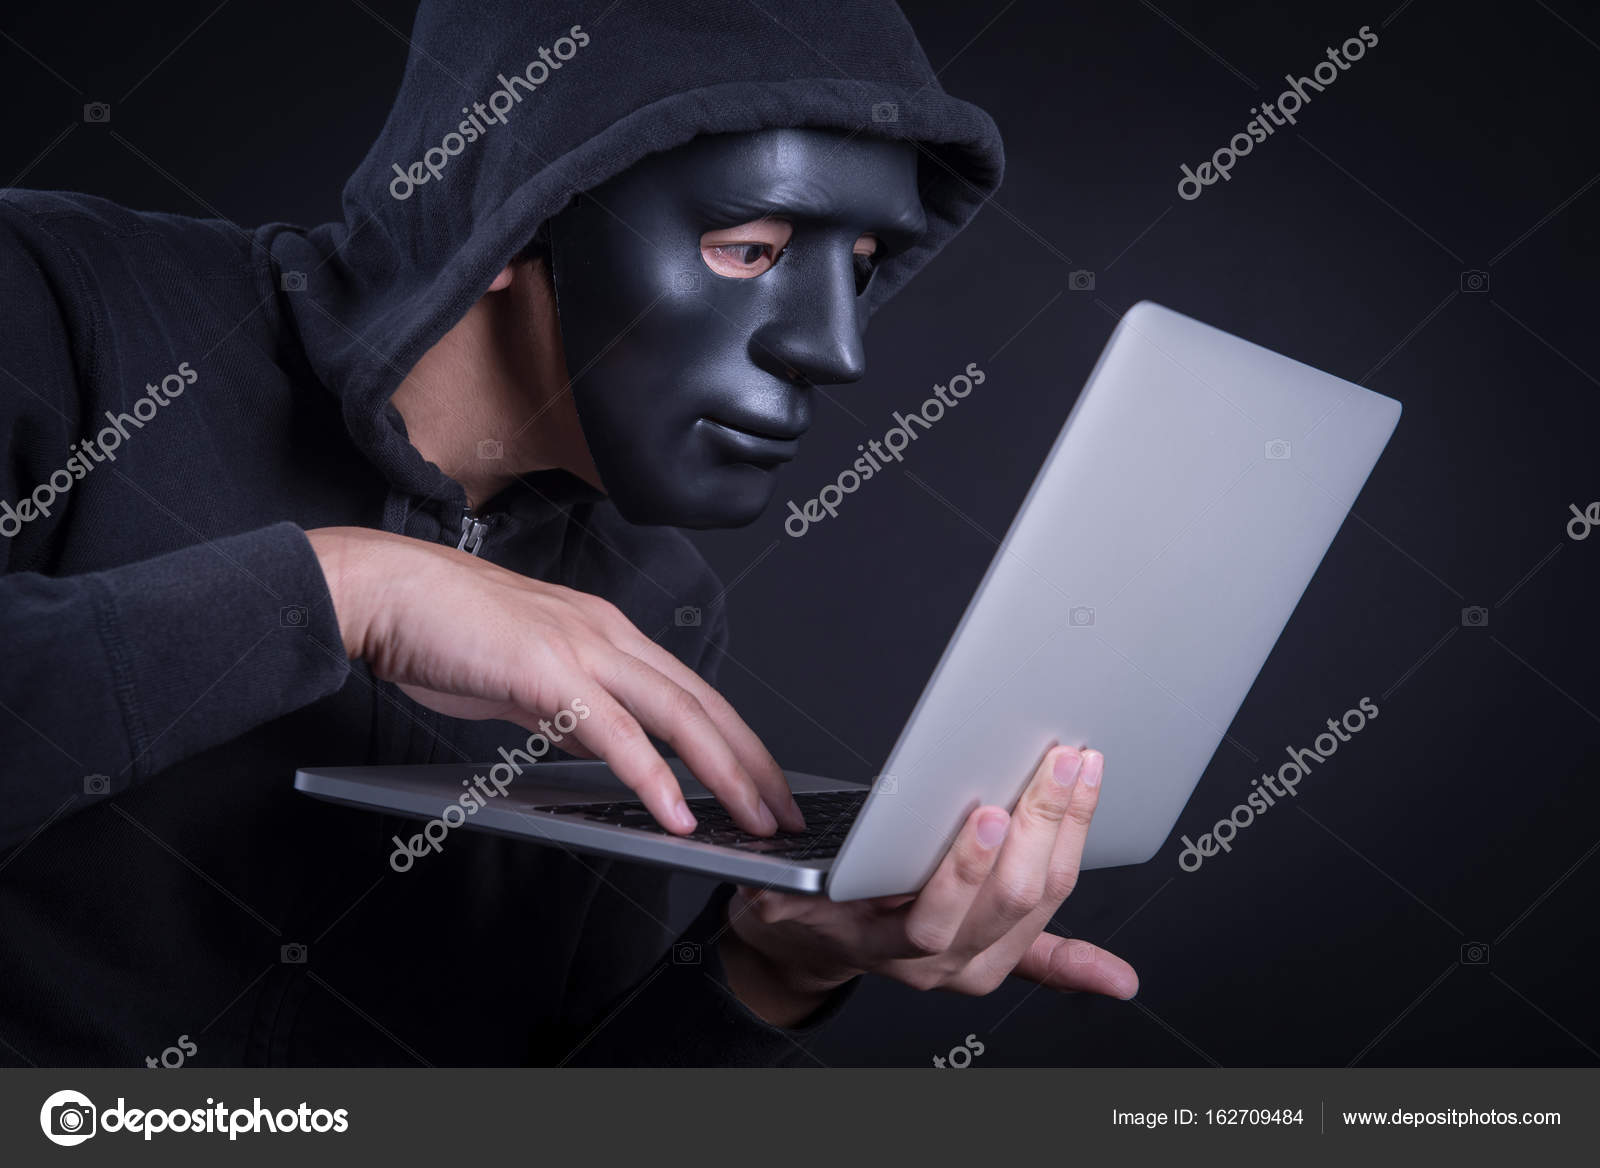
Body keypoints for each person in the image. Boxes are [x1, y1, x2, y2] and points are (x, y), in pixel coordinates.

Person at [0, 0, 1135, 1066]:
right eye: (750, 248)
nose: (835, 349)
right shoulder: (59, 304)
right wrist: (342, 592)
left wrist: (764, 969)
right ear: (516, 213)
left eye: (859, 266)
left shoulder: (648, 606)